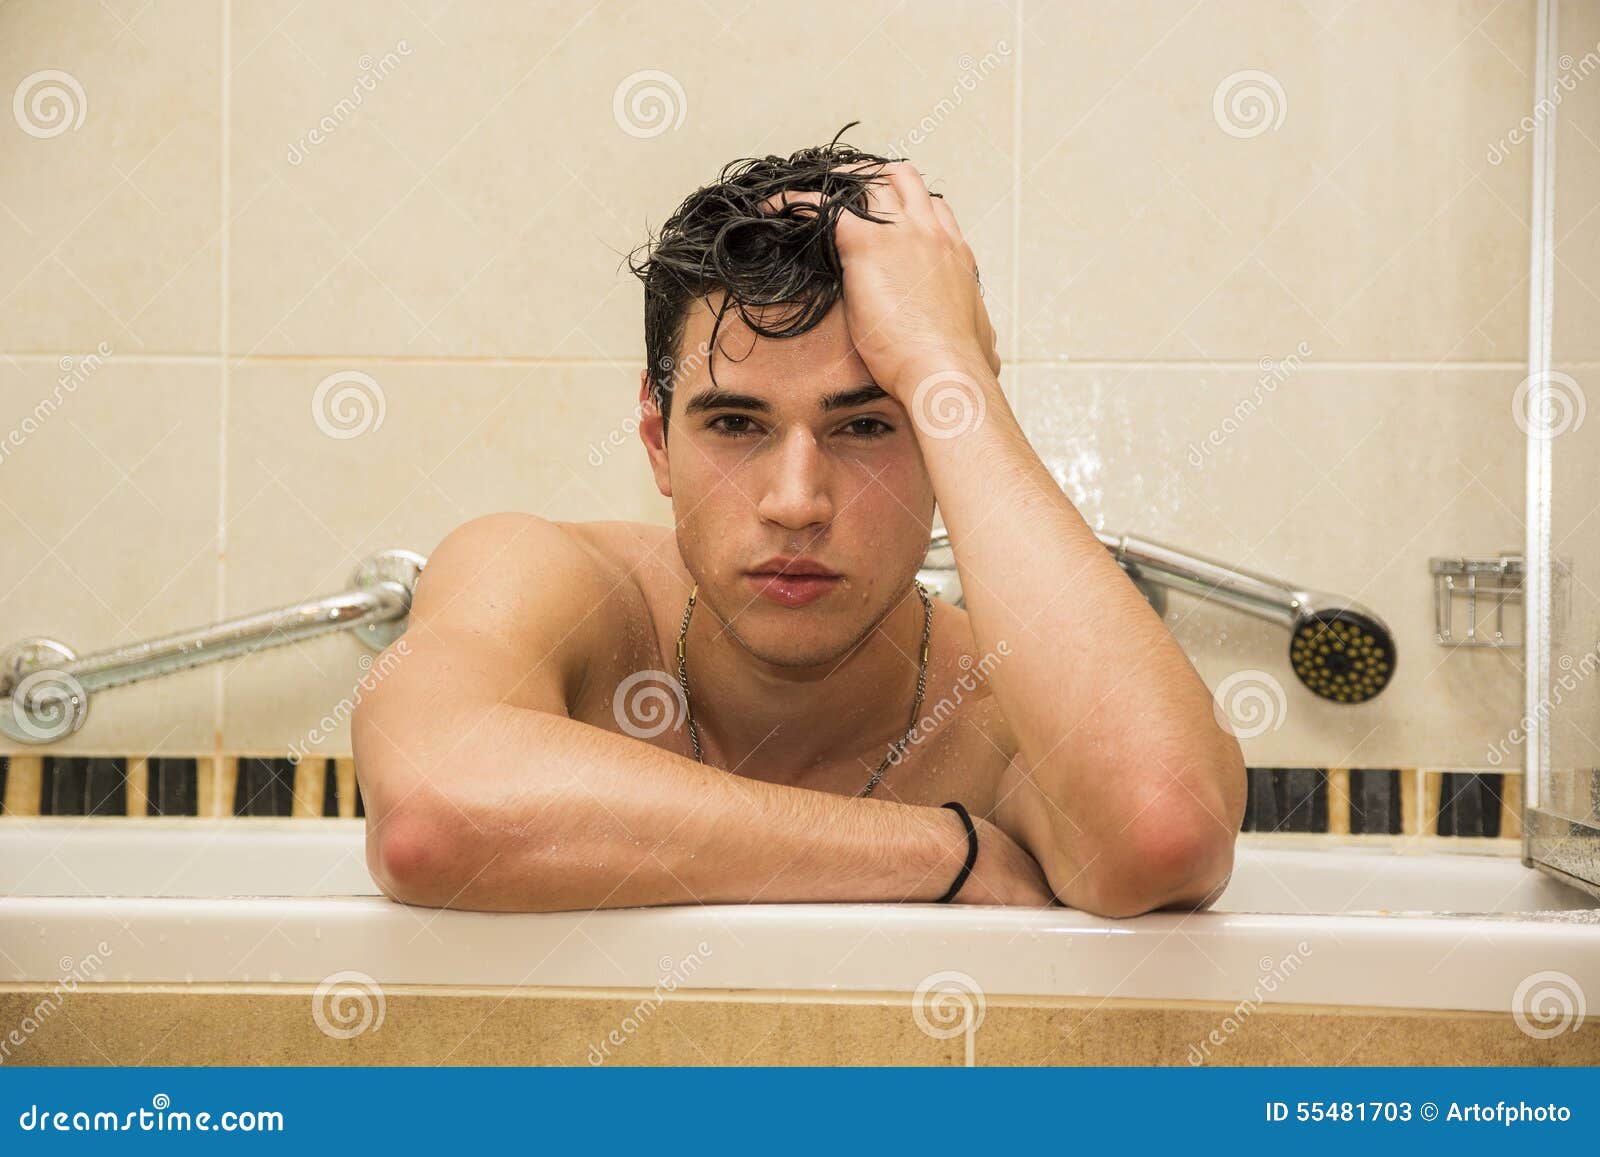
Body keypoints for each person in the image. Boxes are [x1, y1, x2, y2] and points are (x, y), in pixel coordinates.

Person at [352, 126, 1246, 916]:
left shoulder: (1004, 711)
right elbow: (430, 819)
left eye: (864, 426)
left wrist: (949, 371)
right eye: (736, 424)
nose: (796, 502)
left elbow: (1166, 830)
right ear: (659, 441)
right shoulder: (554, 582)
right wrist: (944, 850)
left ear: (942, 449)